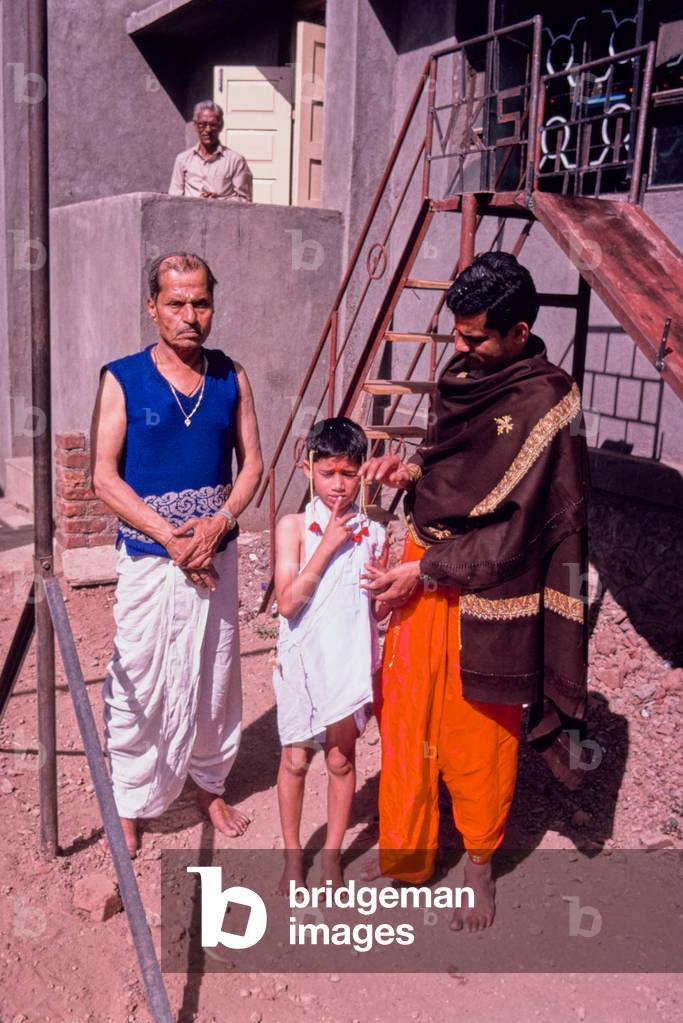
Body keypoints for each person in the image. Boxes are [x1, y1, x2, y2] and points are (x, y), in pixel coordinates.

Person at [361, 252, 589, 931]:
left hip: (490, 588)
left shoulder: (547, 399)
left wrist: (428, 570)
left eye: (473, 337)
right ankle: (404, 850)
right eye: (456, 334)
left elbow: (522, 524)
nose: (457, 348)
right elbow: (449, 457)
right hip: (419, 566)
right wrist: (409, 470)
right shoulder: (465, 377)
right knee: (405, 717)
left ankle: (478, 862)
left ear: (518, 332)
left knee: (476, 733)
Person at [90, 251, 263, 857]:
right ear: (152, 306)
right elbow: (105, 478)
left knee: (214, 674)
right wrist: (170, 538)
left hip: (217, 556)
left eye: (201, 302)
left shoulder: (231, 376)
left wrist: (218, 524)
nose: (190, 315)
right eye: (176, 302)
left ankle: (208, 785)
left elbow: (253, 467)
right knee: (141, 674)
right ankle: (131, 797)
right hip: (150, 559)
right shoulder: (123, 377)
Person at [272, 418, 387, 891]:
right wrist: (327, 549)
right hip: (302, 661)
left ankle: (332, 855)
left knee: (340, 760)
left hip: (347, 661)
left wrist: (386, 591)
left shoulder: (375, 533)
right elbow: (287, 602)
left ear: (361, 473)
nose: (338, 484)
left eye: (348, 473)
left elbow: (376, 610)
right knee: (296, 759)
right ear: (308, 469)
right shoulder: (294, 527)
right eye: (328, 472)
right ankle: (293, 855)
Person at [169, 101, 252, 202]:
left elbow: (245, 200)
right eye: (202, 125)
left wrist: (219, 201)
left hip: (222, 216)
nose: (207, 130)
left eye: (213, 125)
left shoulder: (236, 160)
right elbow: (174, 198)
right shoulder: (182, 159)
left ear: (220, 126)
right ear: (195, 126)